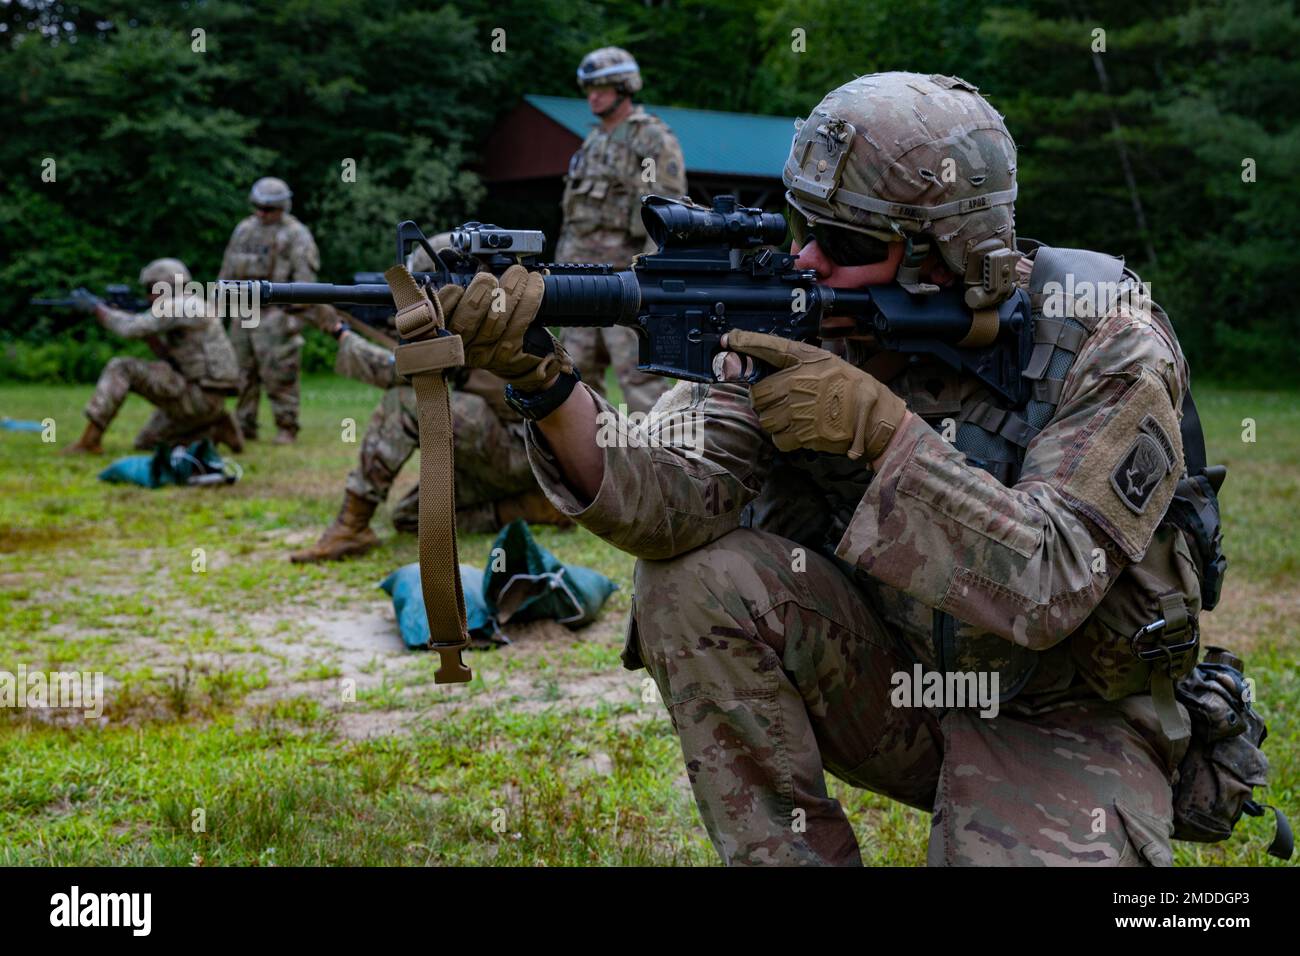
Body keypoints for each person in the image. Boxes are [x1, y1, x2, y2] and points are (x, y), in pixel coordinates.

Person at [415, 73, 1205, 866]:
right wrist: (543, 383)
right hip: (898, 688)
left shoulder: (1102, 340)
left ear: (949, 253)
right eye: (806, 227)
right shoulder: (807, 322)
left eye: (851, 245)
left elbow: (1052, 581)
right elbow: (673, 499)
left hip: (1065, 716)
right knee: (693, 582)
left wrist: (883, 434)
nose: (808, 260)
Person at [288, 246, 570, 564]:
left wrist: (338, 332)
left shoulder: (474, 317)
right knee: (410, 518)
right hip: (516, 454)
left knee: (405, 402)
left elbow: (403, 373)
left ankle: (352, 526)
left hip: (518, 448)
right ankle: (529, 506)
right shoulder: (491, 303)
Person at [555, 46, 687, 414]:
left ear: (625, 86)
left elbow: (666, 217)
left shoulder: (651, 139)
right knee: (574, 377)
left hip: (625, 284)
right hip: (576, 284)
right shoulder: (593, 142)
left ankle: (659, 462)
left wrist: (649, 283)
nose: (593, 96)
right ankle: (589, 464)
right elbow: (574, 220)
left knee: (640, 380)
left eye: (603, 87)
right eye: (589, 88)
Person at [61, 258, 242, 455]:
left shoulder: (179, 305)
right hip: (204, 399)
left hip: (197, 397)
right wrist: (149, 335)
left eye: (150, 289)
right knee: (148, 442)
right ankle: (214, 428)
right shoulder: (194, 304)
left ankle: (90, 440)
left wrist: (98, 309)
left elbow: (128, 328)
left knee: (121, 367)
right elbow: (170, 358)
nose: (148, 297)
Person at [219, 176, 319, 445]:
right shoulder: (244, 230)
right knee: (241, 373)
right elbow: (227, 272)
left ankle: (286, 426)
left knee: (280, 373)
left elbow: (306, 281)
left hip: (277, 314)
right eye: (258, 207)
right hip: (243, 311)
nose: (262, 213)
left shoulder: (296, 235)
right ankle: (243, 425)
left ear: (283, 207)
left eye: (269, 208)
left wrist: (295, 316)